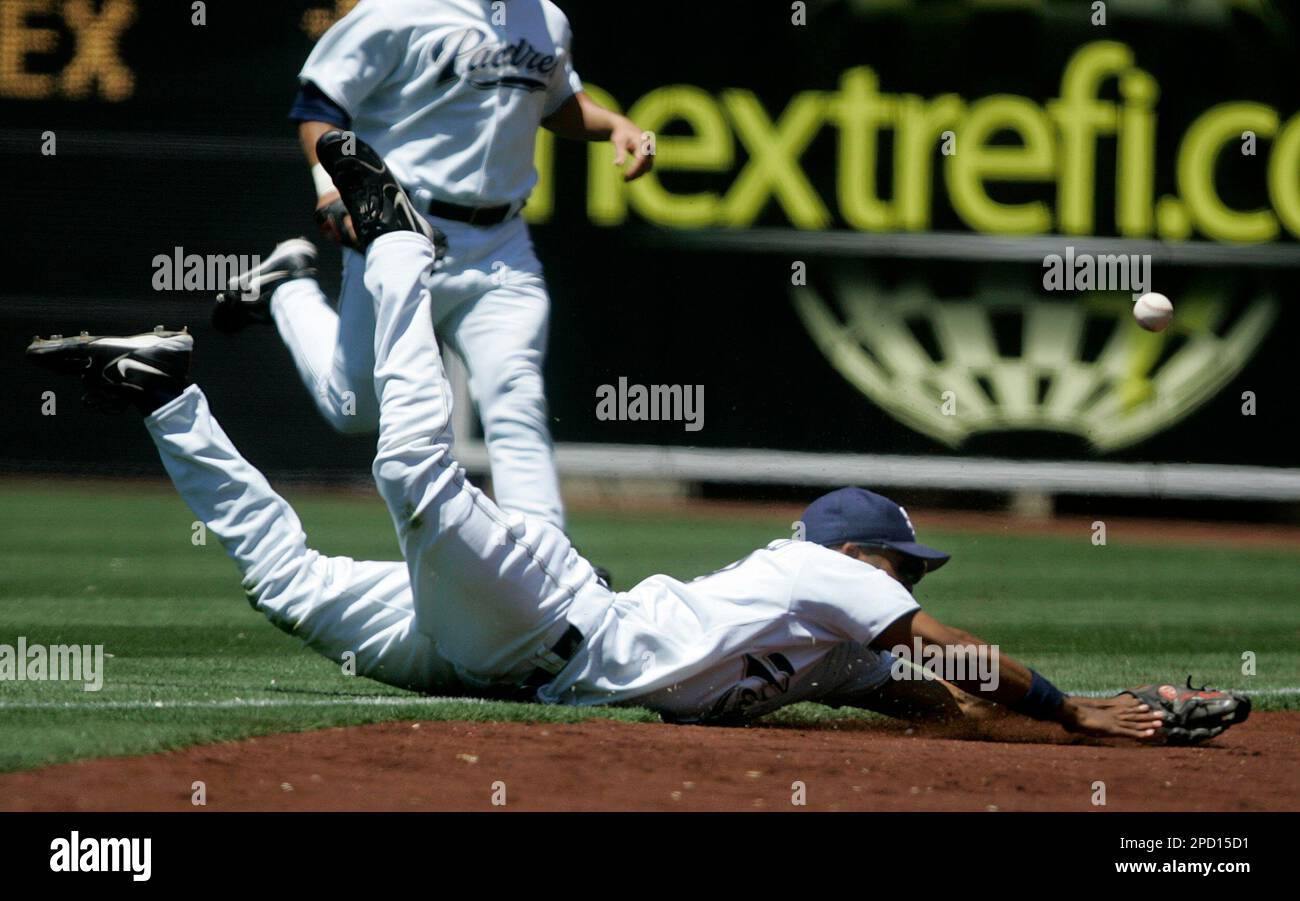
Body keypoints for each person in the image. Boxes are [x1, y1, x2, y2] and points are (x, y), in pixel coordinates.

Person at [26, 134, 1248, 744]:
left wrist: (1094, 713)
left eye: (904, 571)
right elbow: (938, 641)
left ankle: (165, 395)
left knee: (287, 584)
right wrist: (1086, 714)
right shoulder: (821, 573)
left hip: (484, 653)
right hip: (548, 616)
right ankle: (398, 245)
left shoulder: (827, 646)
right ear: (863, 559)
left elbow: (940, 689)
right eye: (902, 564)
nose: (906, 580)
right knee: (410, 471)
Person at [212, 0, 653, 533]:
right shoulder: (398, 10)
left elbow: (557, 102)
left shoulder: (548, 19)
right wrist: (331, 190)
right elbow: (319, 103)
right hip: (403, 230)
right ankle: (287, 289)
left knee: (516, 396)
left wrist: (615, 126)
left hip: (502, 245)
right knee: (354, 409)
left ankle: (549, 559)